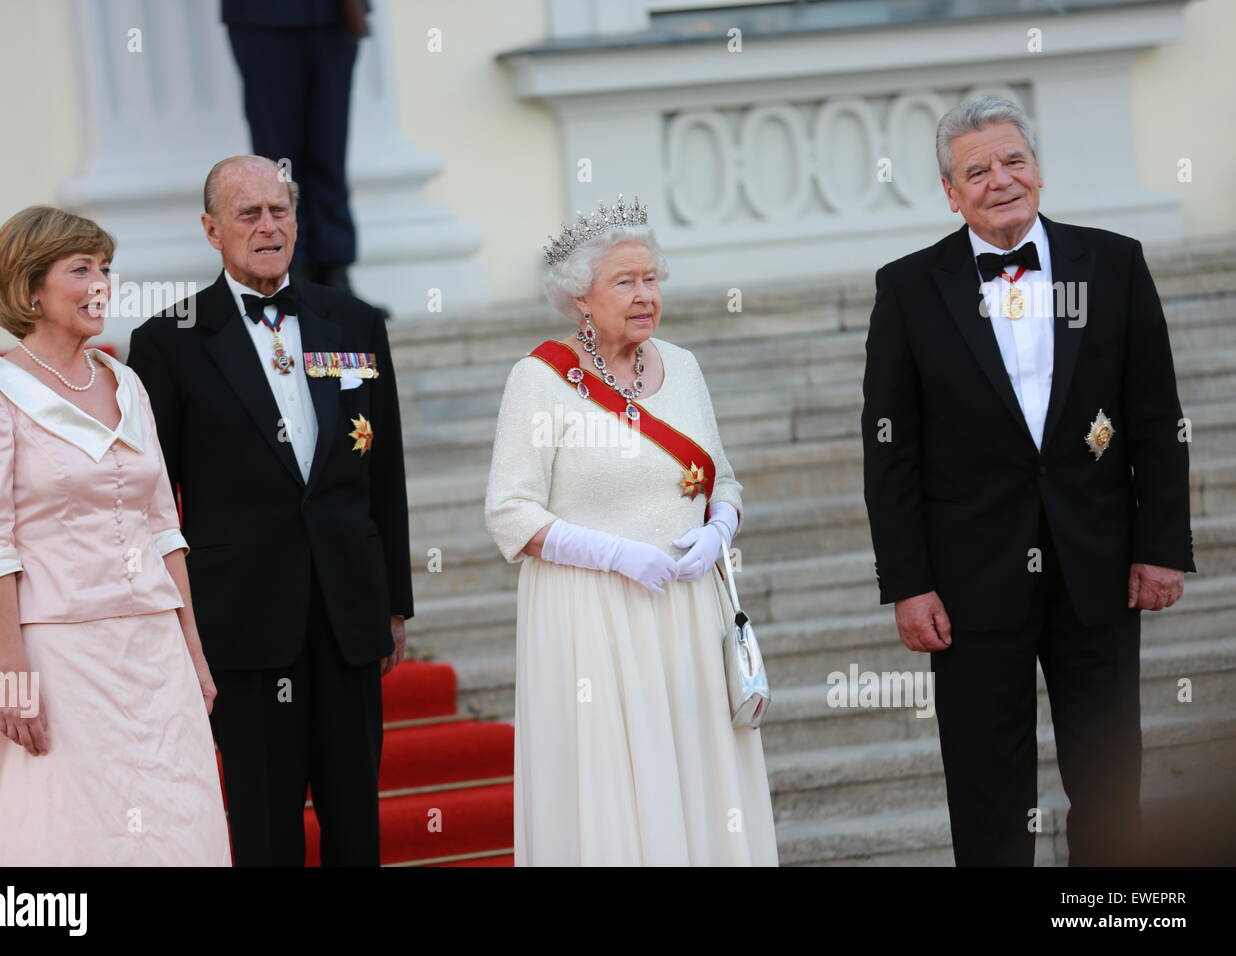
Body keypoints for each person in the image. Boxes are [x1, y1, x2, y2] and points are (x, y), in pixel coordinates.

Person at [861, 96, 1194, 866]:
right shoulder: (909, 288)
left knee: (1111, 780)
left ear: (1038, 172)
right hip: (970, 580)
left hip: (1099, 566)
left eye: (1013, 160)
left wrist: (1161, 545)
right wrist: (908, 584)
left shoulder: (1113, 262)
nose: (999, 179)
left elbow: (1157, 418)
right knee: (986, 790)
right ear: (951, 193)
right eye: (976, 171)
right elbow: (891, 452)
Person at [127, 154, 412, 867]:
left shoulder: (353, 320)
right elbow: (151, 498)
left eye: (279, 210)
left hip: (347, 611)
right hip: (242, 621)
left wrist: (394, 602)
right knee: (263, 825)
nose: (267, 225)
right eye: (248, 213)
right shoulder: (168, 341)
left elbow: (385, 472)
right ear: (211, 228)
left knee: (356, 822)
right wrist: (172, 620)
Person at [484, 196, 778, 866]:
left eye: (651, 279)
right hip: (593, 618)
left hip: (688, 614)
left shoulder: (685, 367)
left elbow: (723, 482)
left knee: (699, 781)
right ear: (580, 298)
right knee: (617, 786)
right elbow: (509, 511)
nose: (645, 295)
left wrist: (719, 531)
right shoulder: (539, 380)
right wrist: (614, 553)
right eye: (625, 281)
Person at [0, 205, 230, 865]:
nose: (102, 283)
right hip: (61, 654)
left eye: (106, 269)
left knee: (176, 823)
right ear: (30, 286)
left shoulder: (126, 383)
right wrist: (14, 675)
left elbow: (163, 527)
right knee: (75, 833)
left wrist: (193, 651)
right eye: (81, 269)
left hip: (154, 649)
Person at [222, 0, 371, 289]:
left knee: (329, 149)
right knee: (278, 159)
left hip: (333, 14)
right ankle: (292, 271)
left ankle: (336, 271)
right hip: (263, 18)